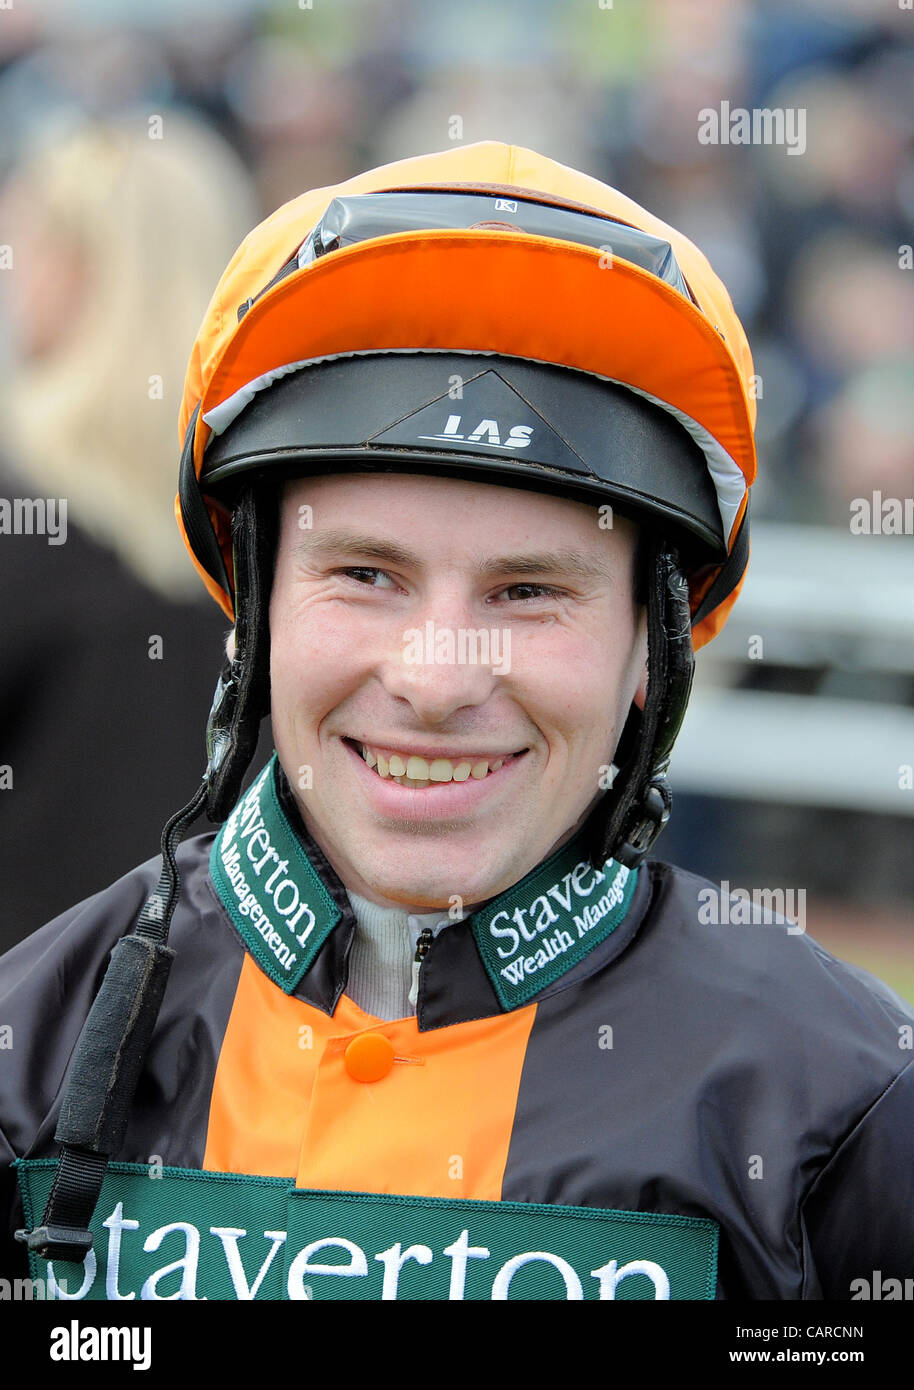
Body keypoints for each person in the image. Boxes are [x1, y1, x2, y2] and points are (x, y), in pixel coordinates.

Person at [1, 141, 912, 1302]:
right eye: (366, 575)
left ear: (651, 648)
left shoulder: (844, 1106)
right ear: (255, 608)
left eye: (528, 590)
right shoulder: (28, 1046)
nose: (435, 679)